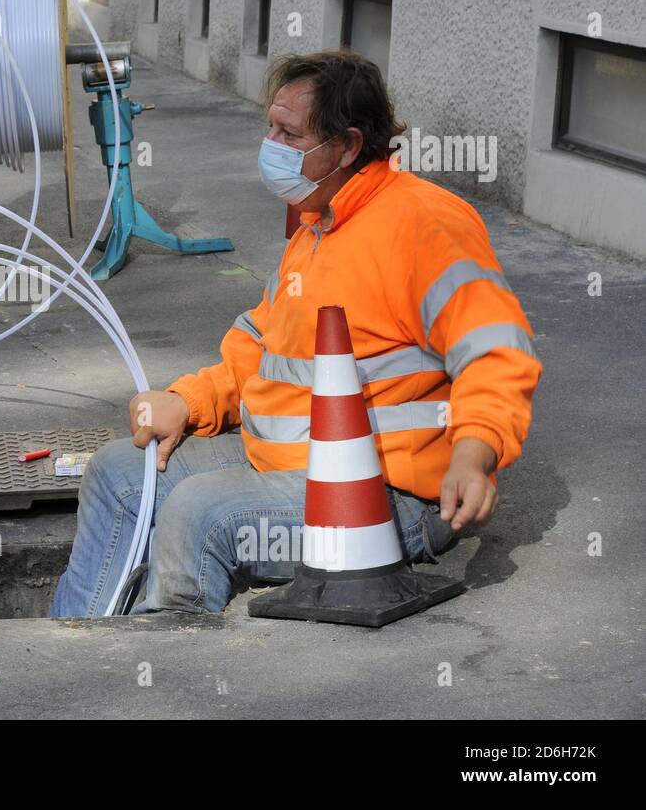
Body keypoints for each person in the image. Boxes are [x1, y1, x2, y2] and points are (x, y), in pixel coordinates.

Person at [50, 50, 542, 616]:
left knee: (198, 512)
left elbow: (498, 350)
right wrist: (186, 401)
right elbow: (260, 352)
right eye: (270, 128)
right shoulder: (317, 223)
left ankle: (162, 676)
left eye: (289, 133)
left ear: (349, 145)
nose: (270, 145)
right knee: (116, 472)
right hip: (283, 463)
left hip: (390, 498)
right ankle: (75, 648)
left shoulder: (422, 224)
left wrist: (473, 457)